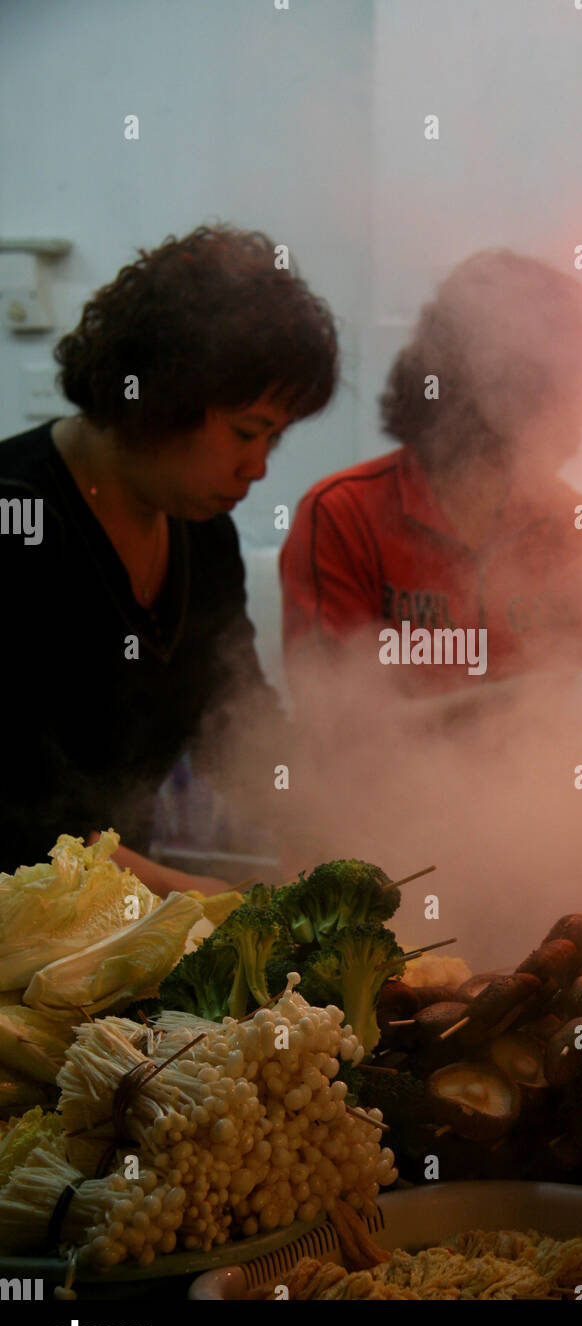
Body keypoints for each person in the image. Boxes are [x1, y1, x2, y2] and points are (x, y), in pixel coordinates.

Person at [0, 224, 338, 890]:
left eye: (274, 439)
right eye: (248, 432)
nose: (259, 467)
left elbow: (232, 722)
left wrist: (328, 819)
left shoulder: (203, 533)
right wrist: (191, 895)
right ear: (162, 394)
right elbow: (16, 804)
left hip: (113, 914)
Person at [279, 249, 582, 702]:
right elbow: (340, 730)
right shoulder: (343, 517)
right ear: (501, 391)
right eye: (568, 388)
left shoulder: (579, 527)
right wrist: (536, 698)